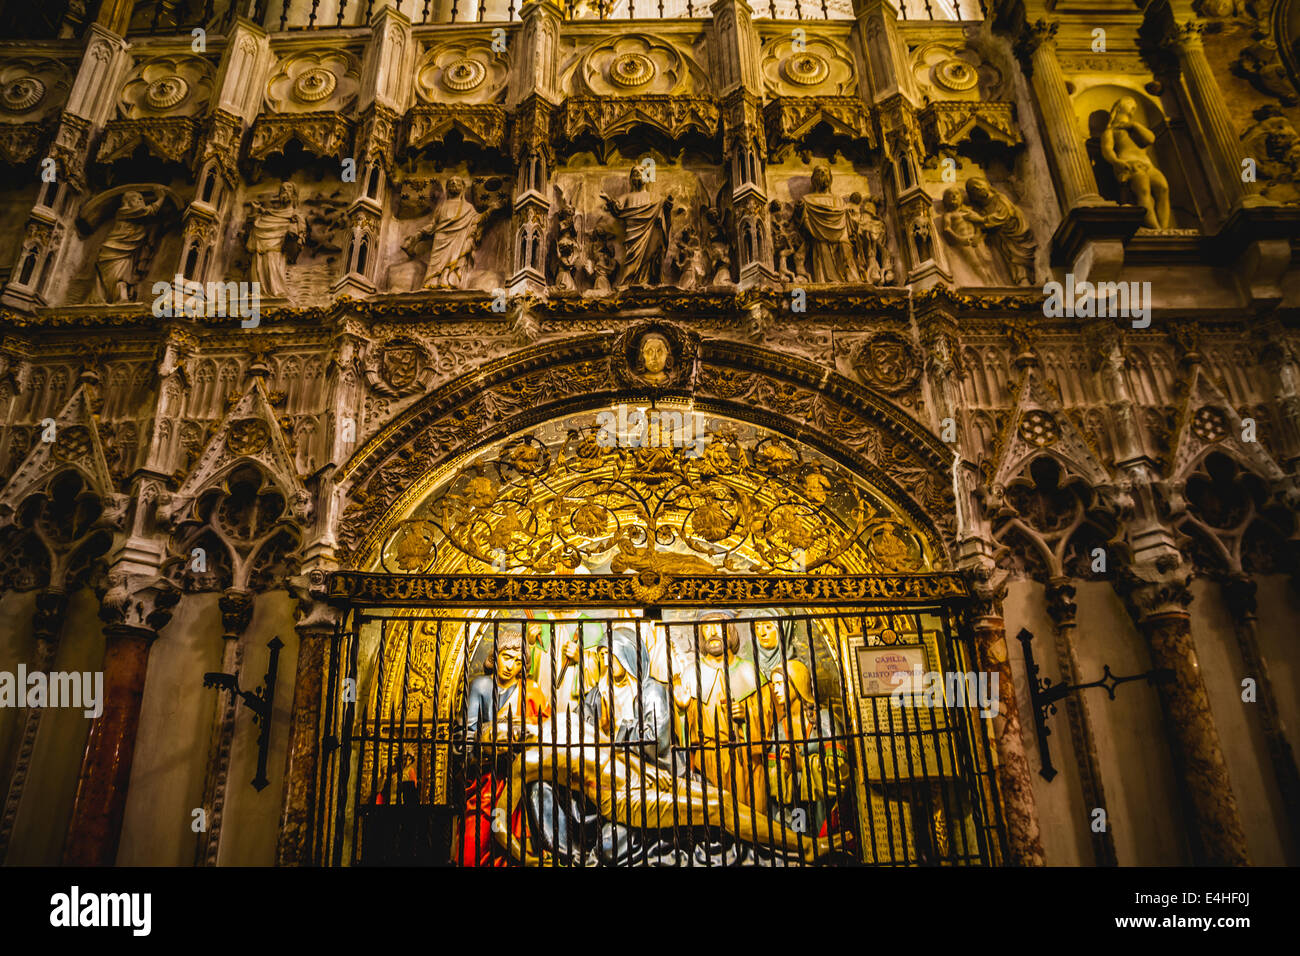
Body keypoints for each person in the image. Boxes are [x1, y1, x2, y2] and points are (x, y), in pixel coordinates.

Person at [460, 631, 549, 866]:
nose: (511, 666)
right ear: (496, 655)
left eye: (518, 661)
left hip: (519, 775)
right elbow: (469, 732)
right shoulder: (481, 685)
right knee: (474, 842)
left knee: (520, 831)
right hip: (486, 775)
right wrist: (479, 753)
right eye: (507, 657)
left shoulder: (531, 690)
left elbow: (544, 732)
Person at [672, 611, 770, 812]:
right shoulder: (690, 675)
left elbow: (769, 720)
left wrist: (747, 714)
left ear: (731, 630)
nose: (713, 632)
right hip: (708, 759)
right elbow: (680, 736)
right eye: (707, 627)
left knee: (751, 818)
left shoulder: (751, 672)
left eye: (719, 625)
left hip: (746, 760)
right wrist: (682, 710)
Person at [765, 659, 848, 837]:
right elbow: (772, 779)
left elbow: (840, 768)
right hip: (794, 806)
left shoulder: (824, 720)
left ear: (798, 683)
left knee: (823, 848)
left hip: (823, 806)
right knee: (800, 843)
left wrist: (803, 764)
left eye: (780, 684)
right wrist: (785, 770)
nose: (776, 690)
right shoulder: (779, 729)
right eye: (774, 685)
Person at [1100, 96, 1171, 230]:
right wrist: (1116, 162)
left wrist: (1133, 125)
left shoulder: (1135, 129)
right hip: (1129, 164)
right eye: (1130, 104)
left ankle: (1164, 228)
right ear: (1120, 107)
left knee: (1163, 187)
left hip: (1147, 165)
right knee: (1143, 191)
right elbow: (1107, 149)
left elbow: (1150, 139)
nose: (1133, 107)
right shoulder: (1111, 131)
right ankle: (1156, 229)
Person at [90, 189, 166, 303]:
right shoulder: (124, 211)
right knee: (115, 274)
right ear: (128, 200)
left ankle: (121, 297)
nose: (141, 201)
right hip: (113, 250)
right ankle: (111, 298)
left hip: (127, 251)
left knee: (123, 275)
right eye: (138, 198)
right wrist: (161, 198)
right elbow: (150, 211)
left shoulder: (136, 217)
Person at [602, 165, 672, 287]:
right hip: (632, 233)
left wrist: (667, 208)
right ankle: (630, 281)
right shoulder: (627, 197)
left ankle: (645, 280)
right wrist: (608, 199)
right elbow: (617, 209)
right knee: (632, 255)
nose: (637, 174)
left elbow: (662, 213)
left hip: (649, 231)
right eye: (634, 172)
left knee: (649, 254)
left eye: (640, 172)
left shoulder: (655, 198)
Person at [964, 177, 1036, 285]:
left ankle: (1025, 280)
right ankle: (1020, 280)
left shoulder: (999, 198)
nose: (978, 188)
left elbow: (1004, 215)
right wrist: (978, 235)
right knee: (1009, 259)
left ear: (987, 184)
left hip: (1015, 233)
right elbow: (985, 228)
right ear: (973, 197)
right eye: (974, 190)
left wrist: (981, 219)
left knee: (1018, 258)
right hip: (1002, 239)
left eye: (979, 185)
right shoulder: (982, 209)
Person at [797, 165, 860, 283]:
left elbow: (847, 218)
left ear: (830, 178)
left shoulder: (838, 200)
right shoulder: (807, 199)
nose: (822, 173)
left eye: (825, 171)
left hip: (841, 232)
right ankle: (827, 279)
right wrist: (799, 209)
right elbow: (801, 223)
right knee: (822, 248)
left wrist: (851, 214)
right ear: (813, 179)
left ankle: (852, 278)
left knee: (846, 250)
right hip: (819, 233)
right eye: (819, 171)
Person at [246, 181, 304, 297]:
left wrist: (298, 235)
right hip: (261, 242)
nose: (284, 191)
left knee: (273, 261)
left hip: (278, 246)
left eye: (288, 188)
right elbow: (253, 224)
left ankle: (276, 290)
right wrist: (254, 211)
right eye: (282, 189)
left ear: (294, 194)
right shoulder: (270, 213)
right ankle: (258, 292)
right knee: (258, 261)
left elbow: (300, 233)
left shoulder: (294, 215)